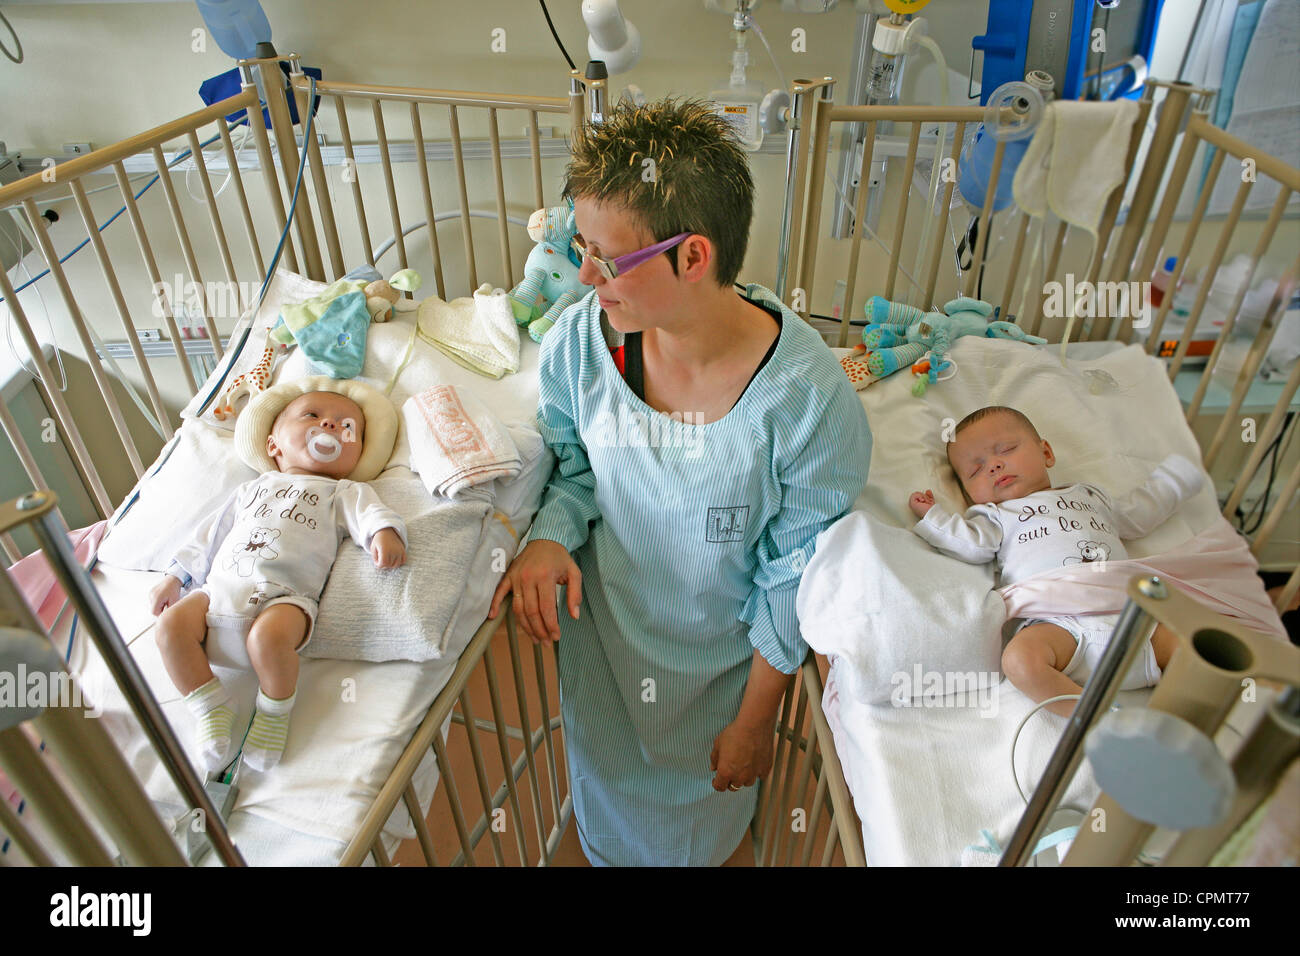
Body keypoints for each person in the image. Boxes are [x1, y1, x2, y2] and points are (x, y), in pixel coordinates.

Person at [488, 99, 873, 866]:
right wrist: (546, 539)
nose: (587, 276)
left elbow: (788, 581)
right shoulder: (581, 347)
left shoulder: (806, 406)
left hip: (721, 669)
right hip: (605, 649)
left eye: (609, 259)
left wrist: (758, 719)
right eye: (579, 248)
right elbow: (574, 474)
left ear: (692, 257)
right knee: (609, 819)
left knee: (708, 825)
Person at [149, 383, 407, 772]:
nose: (331, 426)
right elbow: (208, 536)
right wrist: (175, 577)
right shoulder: (252, 489)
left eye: (347, 426)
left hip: (284, 599)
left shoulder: (342, 491)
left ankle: (273, 711)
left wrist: (384, 534)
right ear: (273, 446)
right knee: (169, 629)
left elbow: (372, 514)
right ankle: (209, 704)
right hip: (217, 596)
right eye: (313, 416)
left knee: (268, 639)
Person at [908, 405, 1203, 717]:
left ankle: (1179, 722)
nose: (994, 465)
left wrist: (1177, 478)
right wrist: (933, 516)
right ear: (968, 494)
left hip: (1132, 617)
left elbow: (1140, 512)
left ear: (1046, 453)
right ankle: (1096, 718)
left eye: (1005, 450)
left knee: (1196, 644)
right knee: (1019, 660)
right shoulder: (995, 517)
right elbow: (969, 544)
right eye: (976, 470)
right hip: (1060, 628)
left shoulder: (1091, 497)